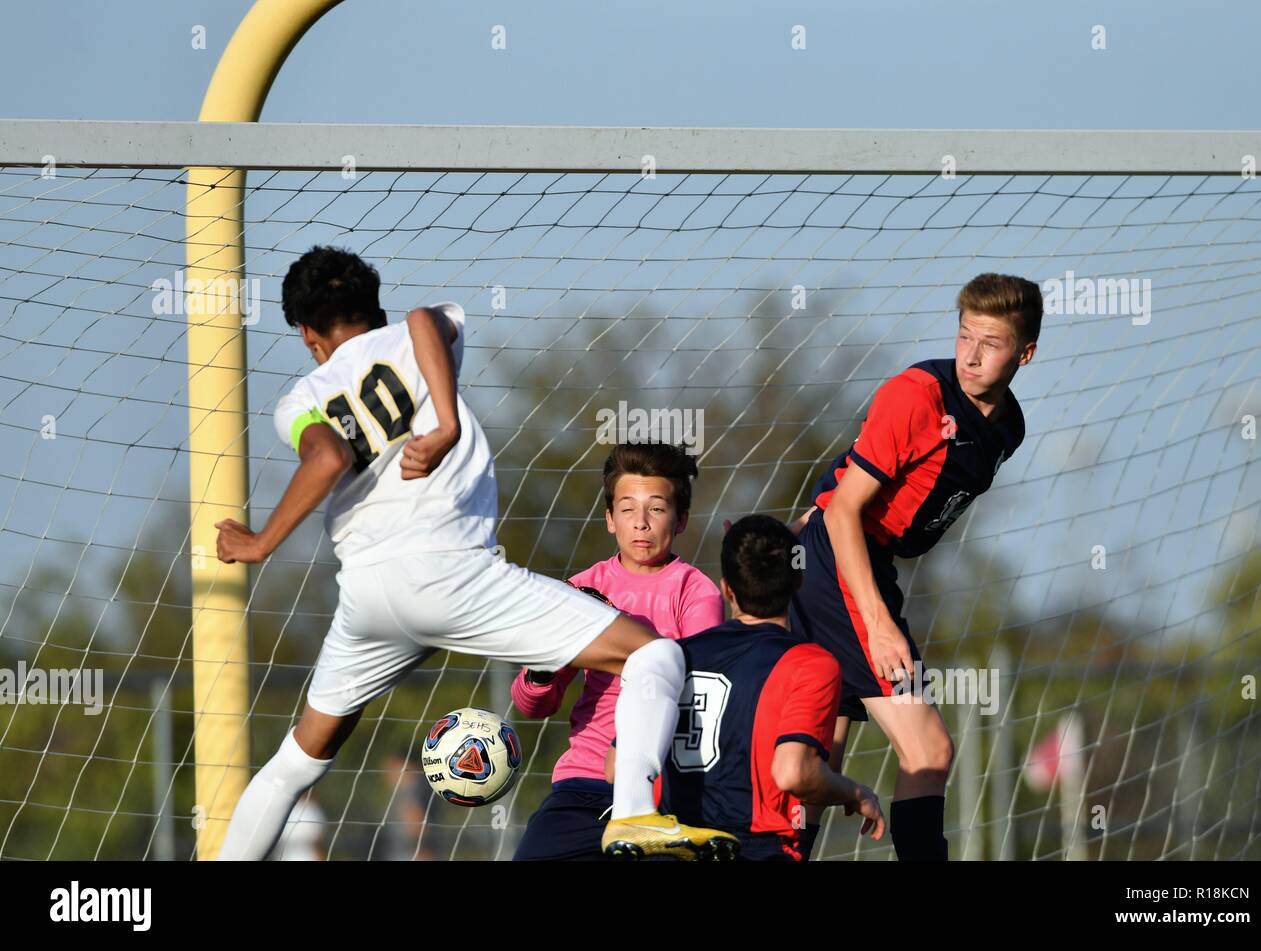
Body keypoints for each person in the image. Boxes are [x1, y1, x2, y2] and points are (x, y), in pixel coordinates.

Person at [213, 245, 734, 860]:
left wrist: (260, 543)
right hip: (453, 573)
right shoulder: (420, 334)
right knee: (654, 655)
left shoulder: (299, 400)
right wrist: (448, 426)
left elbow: (325, 456)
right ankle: (633, 815)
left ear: (306, 334)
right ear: (373, 309)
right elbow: (426, 319)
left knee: (295, 763)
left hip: (367, 595)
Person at [787, 272, 1039, 861]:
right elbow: (846, 508)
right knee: (928, 749)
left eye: (991, 342)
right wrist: (877, 621)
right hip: (840, 563)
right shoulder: (916, 395)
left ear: (1025, 353)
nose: (971, 356)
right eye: (964, 336)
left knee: (816, 762)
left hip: (855, 563)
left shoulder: (1009, 428)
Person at [610, 515, 885, 860]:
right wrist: (854, 793)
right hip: (753, 848)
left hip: (669, 847)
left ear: (727, 588)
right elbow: (794, 772)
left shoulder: (671, 656)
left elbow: (615, 766)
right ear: (798, 581)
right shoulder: (811, 663)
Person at [511, 442, 724, 860]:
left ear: (680, 519)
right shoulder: (581, 588)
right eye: (627, 509)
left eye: (657, 509)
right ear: (610, 519)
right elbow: (533, 706)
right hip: (584, 784)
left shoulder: (695, 590)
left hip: (664, 790)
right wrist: (542, 667)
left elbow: (701, 692)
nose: (641, 523)